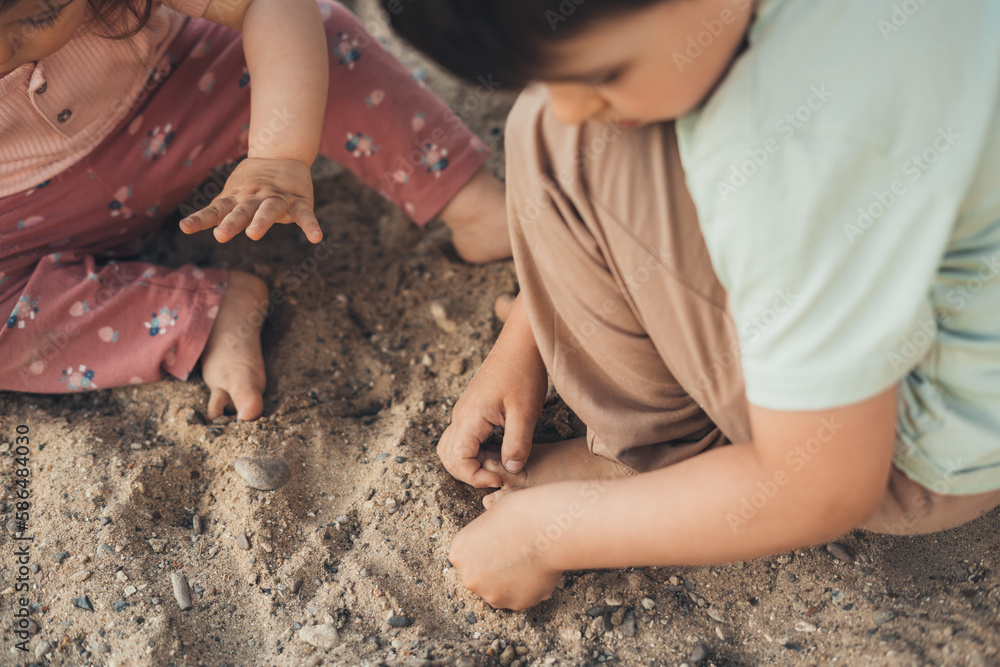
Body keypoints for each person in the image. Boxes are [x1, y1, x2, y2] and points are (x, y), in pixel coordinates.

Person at [384, 0, 1000, 610]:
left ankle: (660, 458)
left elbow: (824, 487)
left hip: (915, 456)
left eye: (603, 73)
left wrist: (544, 537)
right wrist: (534, 327)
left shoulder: (792, 156)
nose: (570, 100)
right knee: (565, 128)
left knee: (562, 142)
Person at [0, 0, 510, 420]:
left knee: (323, 41)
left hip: (181, 96)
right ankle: (193, 313)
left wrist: (279, 154)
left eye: (37, 17)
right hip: (33, 217)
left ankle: (466, 199)